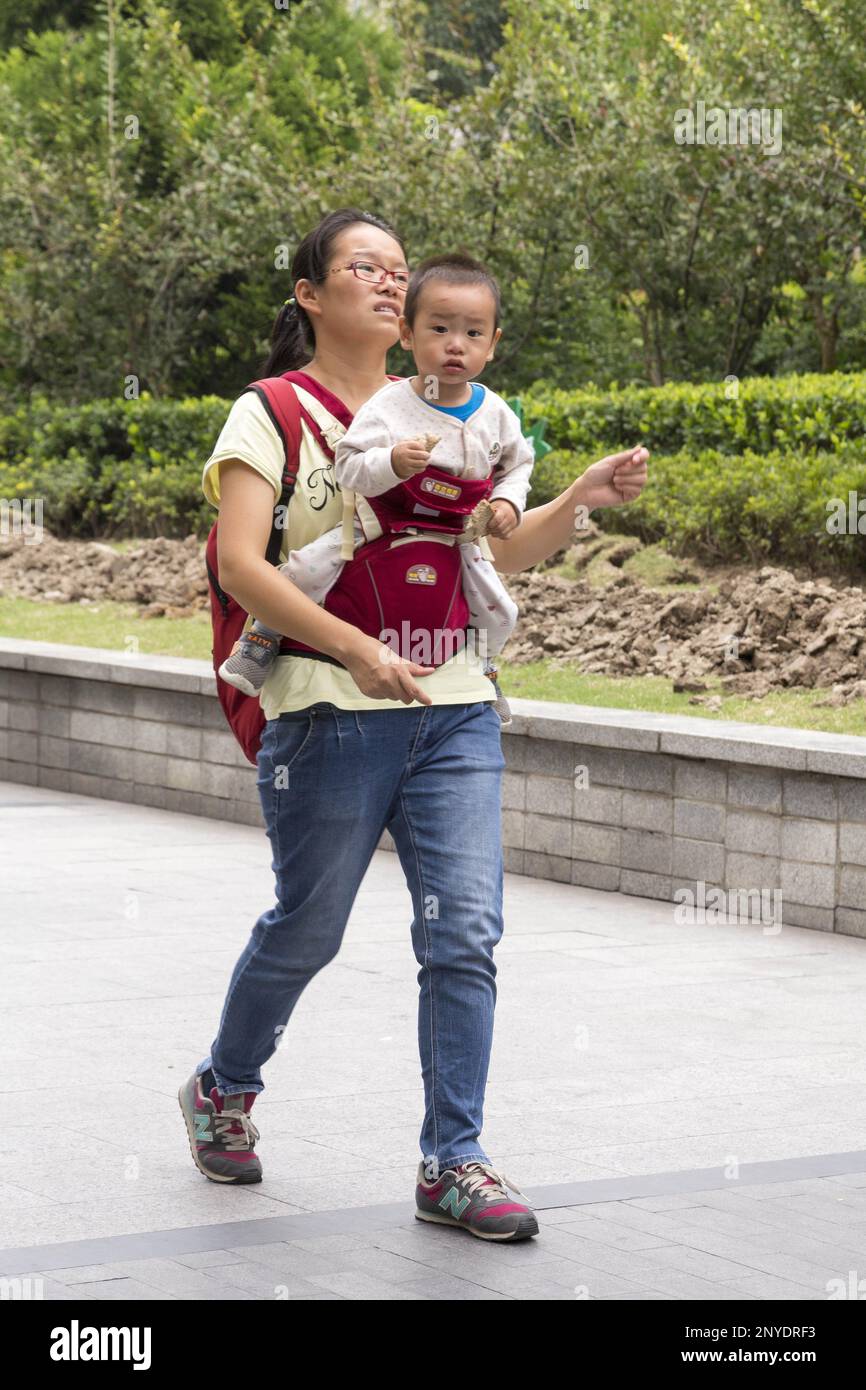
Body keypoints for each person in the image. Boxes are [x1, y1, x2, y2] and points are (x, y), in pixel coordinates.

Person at [178, 207, 649, 1243]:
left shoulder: (461, 414)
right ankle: (224, 1082)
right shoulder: (273, 412)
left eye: (399, 270)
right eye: (363, 267)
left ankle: (453, 1159)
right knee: (308, 929)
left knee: (464, 934)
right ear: (308, 294)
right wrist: (353, 649)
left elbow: (495, 559)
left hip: (456, 709)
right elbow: (240, 564)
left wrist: (576, 495)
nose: (389, 284)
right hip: (326, 715)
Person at [217, 251, 535, 730]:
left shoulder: (495, 411)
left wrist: (510, 501)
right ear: (408, 334)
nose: (455, 345)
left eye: (472, 334)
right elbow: (350, 468)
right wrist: (391, 463)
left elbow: (518, 465)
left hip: (455, 532)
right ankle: (262, 638)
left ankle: (486, 670)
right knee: (309, 567)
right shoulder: (390, 404)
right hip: (381, 519)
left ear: (493, 344)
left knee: (498, 605)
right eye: (440, 330)